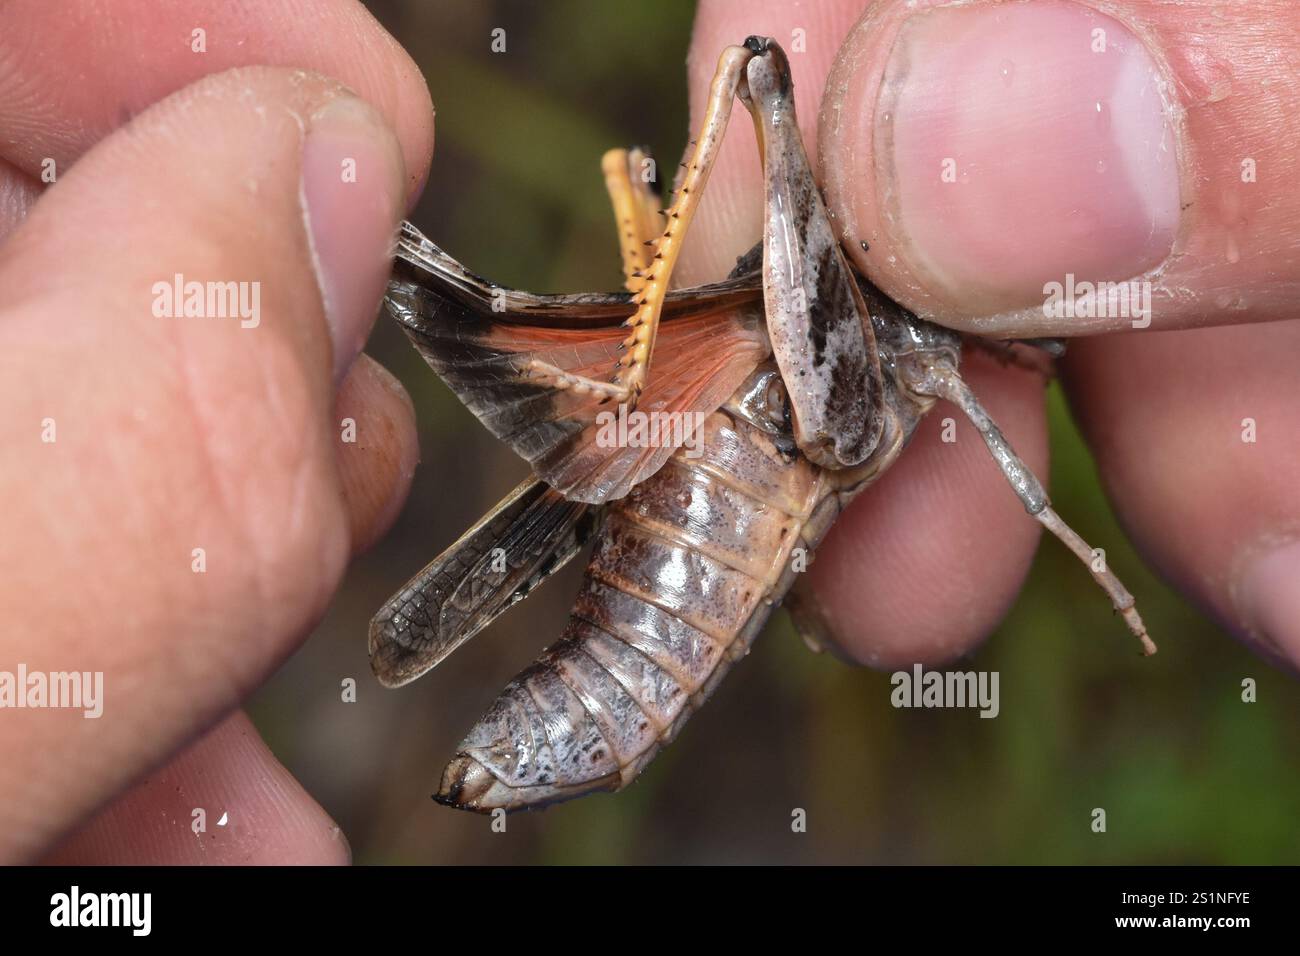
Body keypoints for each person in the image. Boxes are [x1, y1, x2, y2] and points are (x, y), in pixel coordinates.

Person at [1, 0, 1295, 864]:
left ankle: (641, 385)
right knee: (759, 82)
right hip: (738, 419)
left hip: (746, 435)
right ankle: (633, 370)